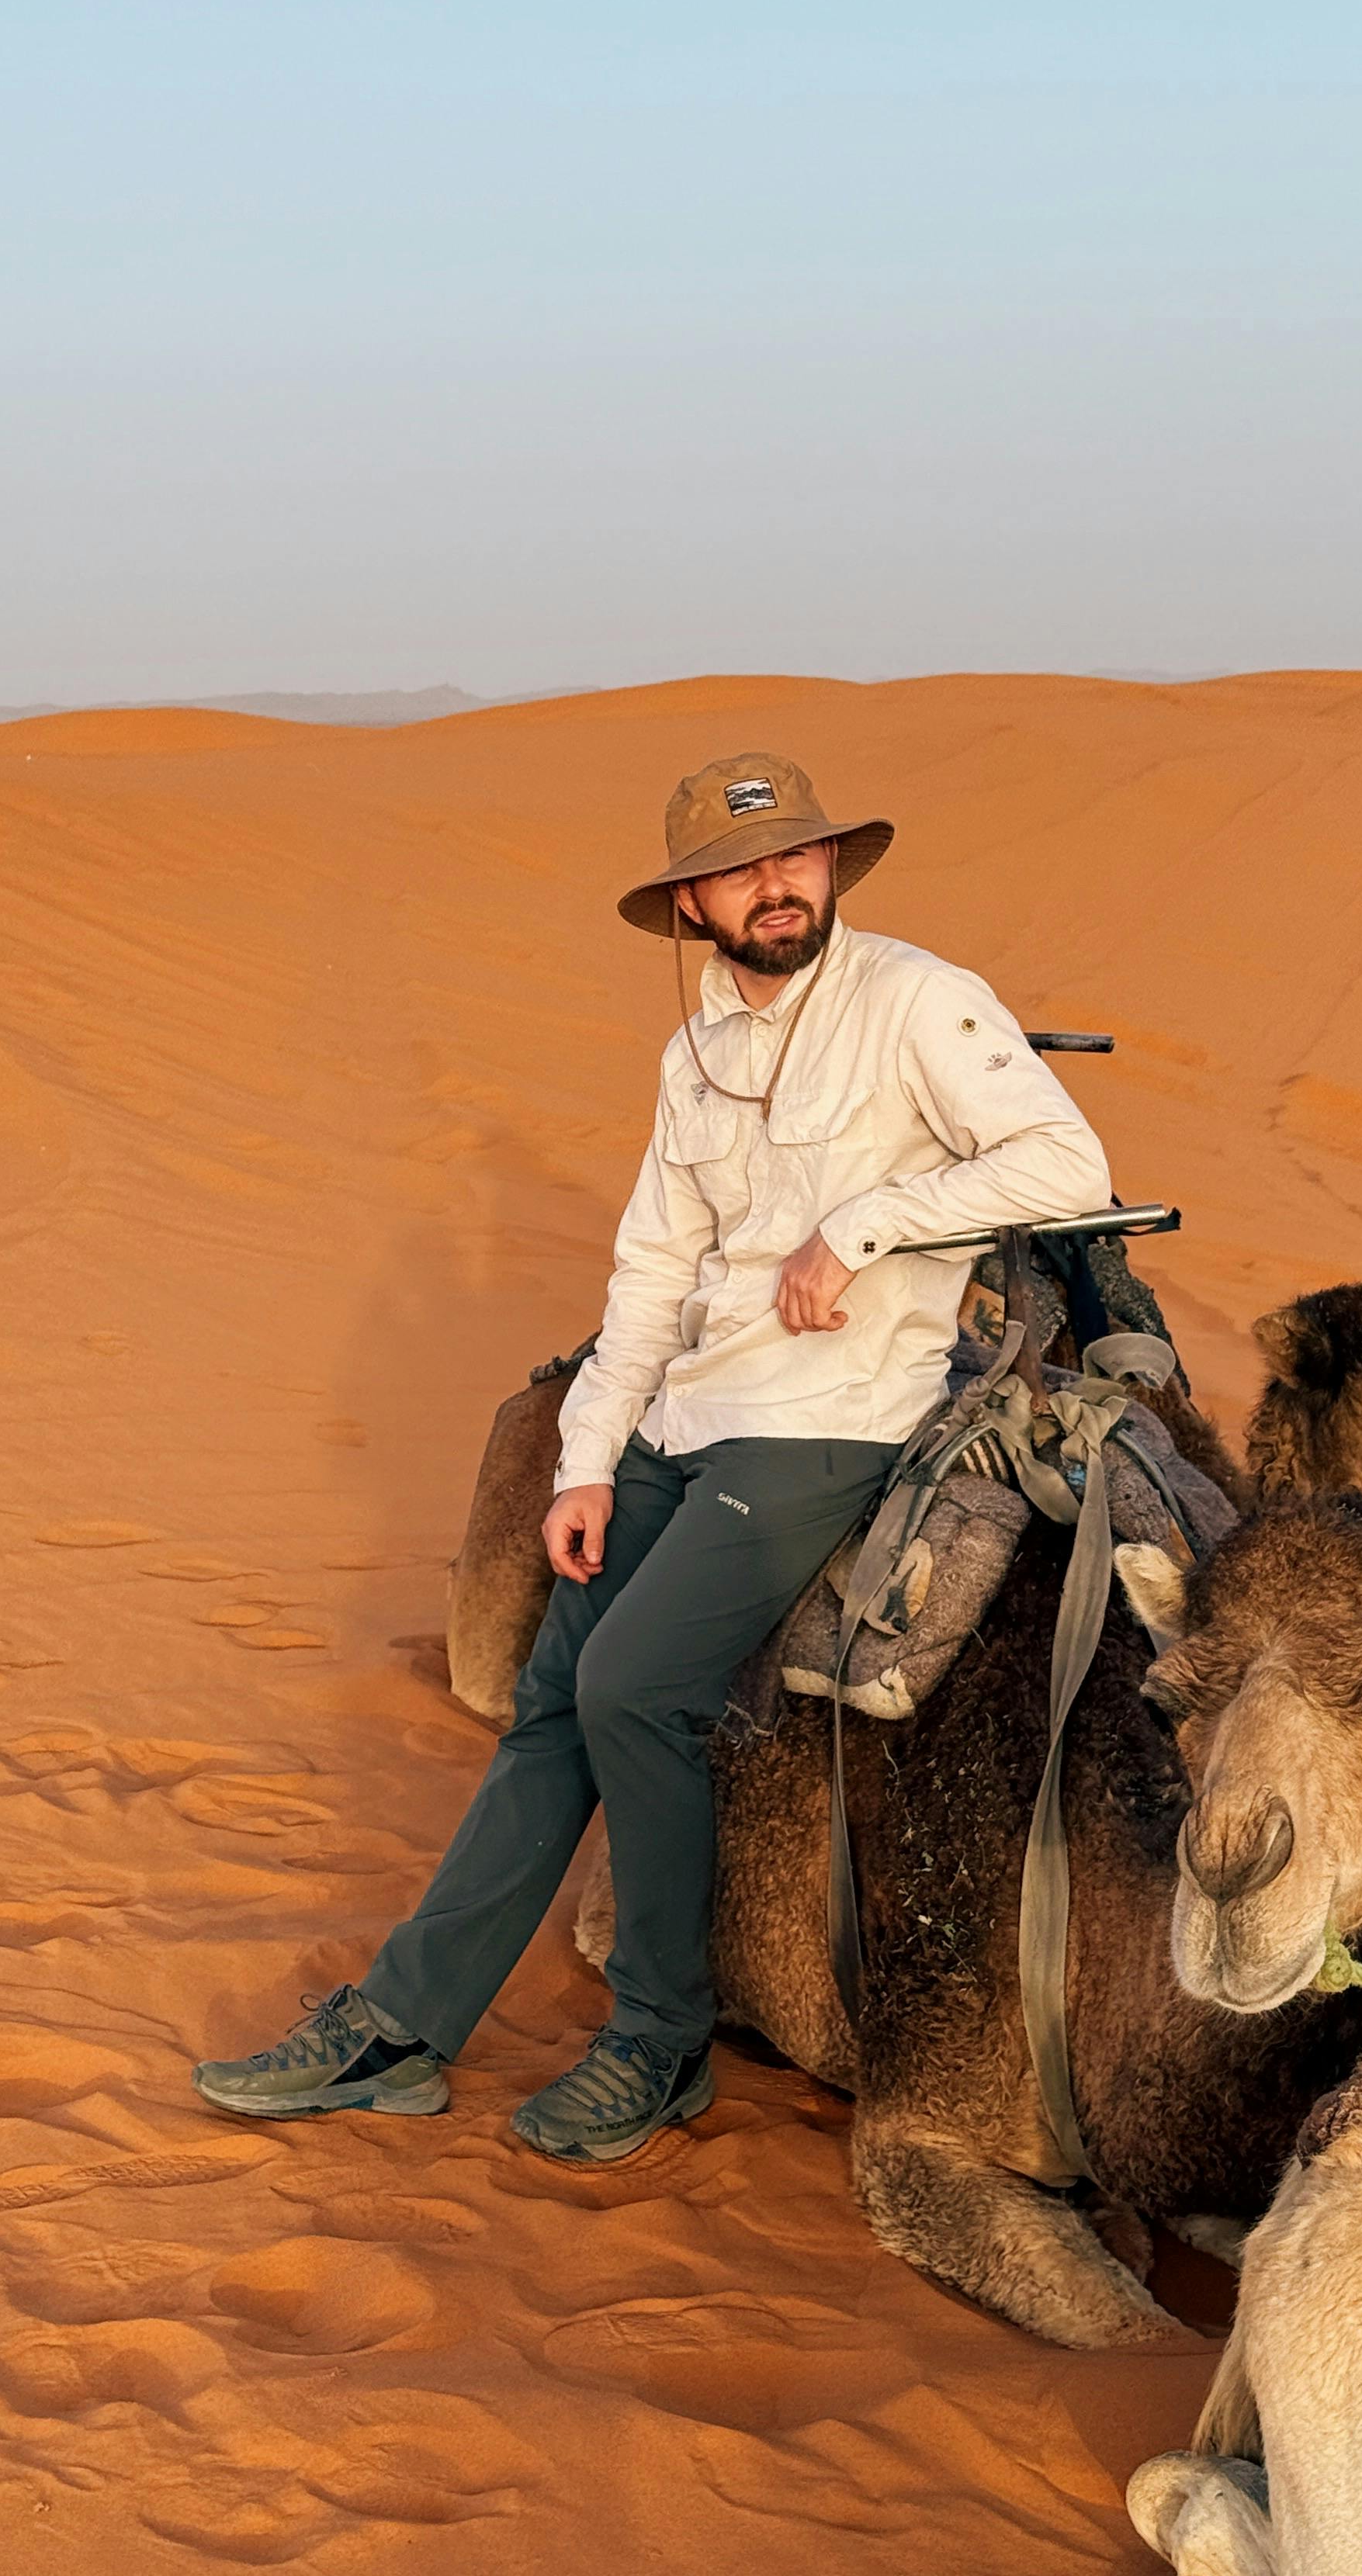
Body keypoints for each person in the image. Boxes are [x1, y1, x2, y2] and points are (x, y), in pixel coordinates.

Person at [194, 751, 1113, 2163]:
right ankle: (398, 2028)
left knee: (635, 1685)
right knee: (555, 1699)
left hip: (829, 1416)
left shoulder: (918, 1000)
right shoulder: (695, 1054)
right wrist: (585, 1459)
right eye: (745, 869)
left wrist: (860, 1230)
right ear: (693, 901)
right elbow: (652, 1272)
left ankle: (658, 2041)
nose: (779, 885)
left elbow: (1067, 1168)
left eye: (798, 858)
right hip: (692, 1414)